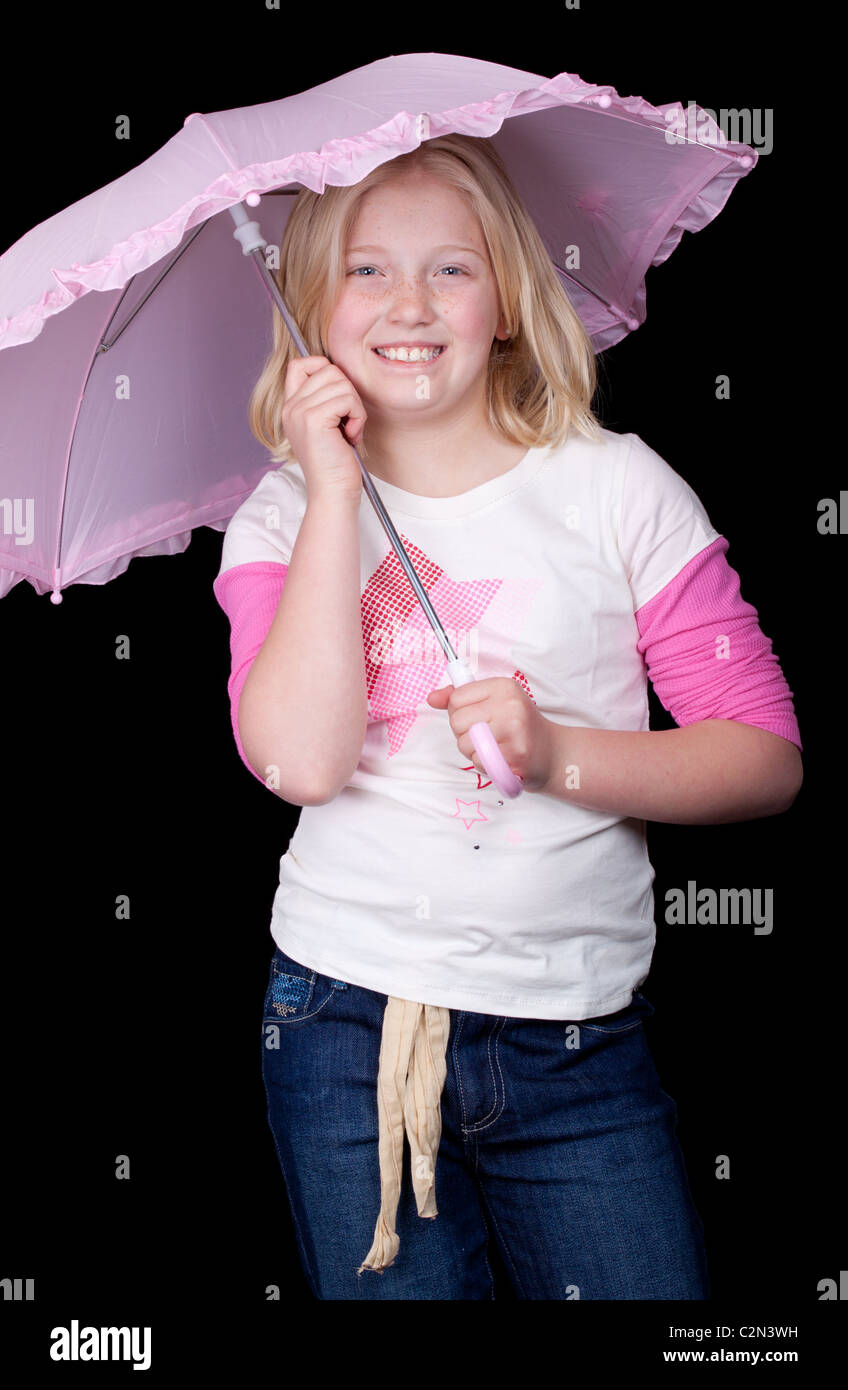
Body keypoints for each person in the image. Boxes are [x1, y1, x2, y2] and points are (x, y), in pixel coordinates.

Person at [212, 134, 802, 1300]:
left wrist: (558, 756)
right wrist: (332, 492)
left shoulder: (612, 486)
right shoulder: (281, 520)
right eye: (366, 271)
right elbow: (300, 761)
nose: (408, 303)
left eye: (451, 268)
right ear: (311, 310)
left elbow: (762, 758)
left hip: (575, 1038)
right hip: (346, 1026)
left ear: (509, 302)